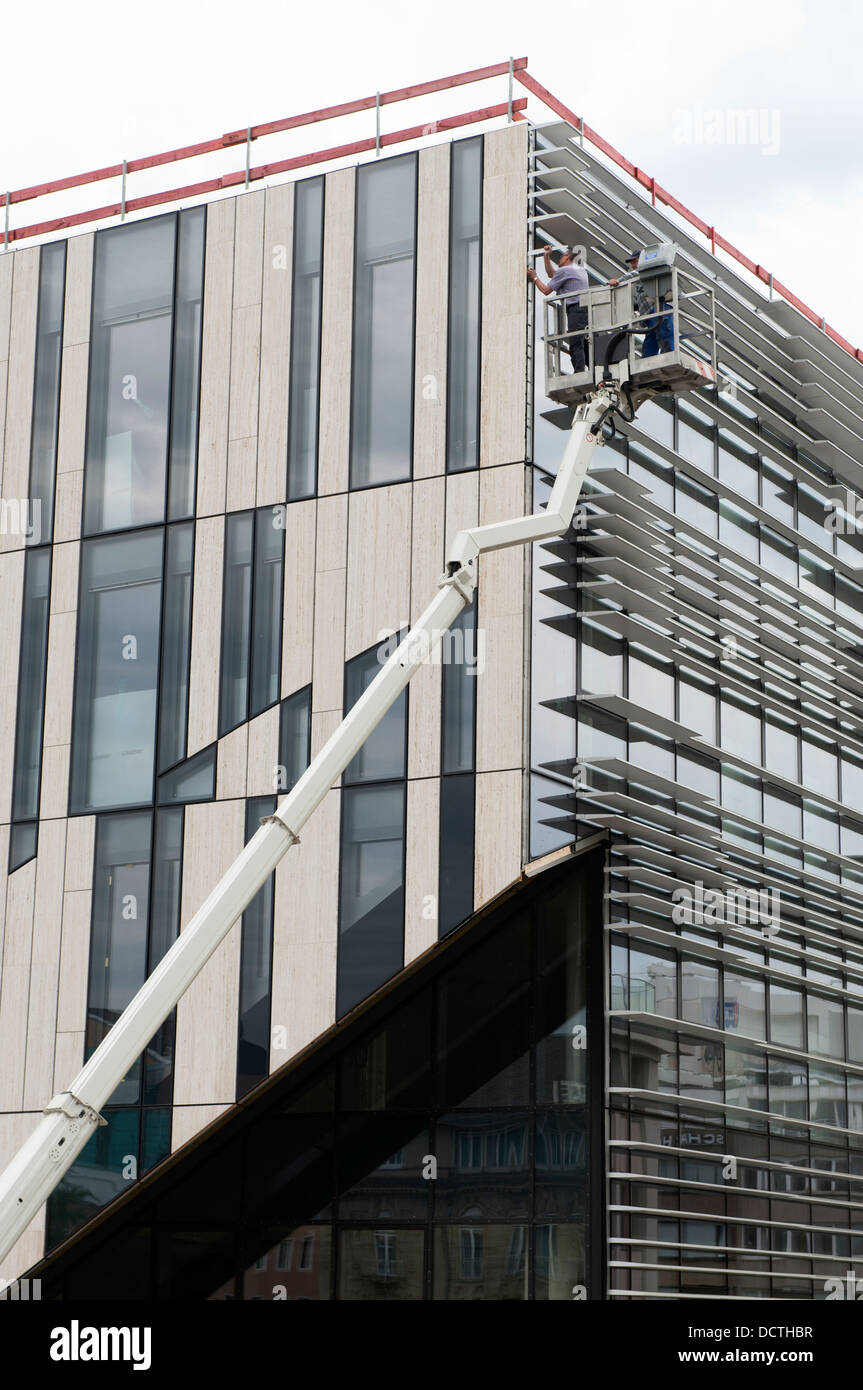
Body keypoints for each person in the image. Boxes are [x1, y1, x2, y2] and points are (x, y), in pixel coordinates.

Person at [527, 245, 590, 373]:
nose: (559, 259)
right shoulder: (578, 270)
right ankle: (594, 370)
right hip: (585, 310)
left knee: (576, 343)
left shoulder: (565, 271)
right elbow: (551, 274)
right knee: (586, 343)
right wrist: (546, 256)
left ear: (567, 257)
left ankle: (579, 372)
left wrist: (534, 277)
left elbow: (545, 290)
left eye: (562, 256)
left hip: (575, 310)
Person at [608, 249, 673, 357]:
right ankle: (649, 363)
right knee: (650, 344)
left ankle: (669, 358)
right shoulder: (642, 278)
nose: (633, 265)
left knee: (664, 338)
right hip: (651, 314)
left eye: (635, 262)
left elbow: (634, 274)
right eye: (632, 263)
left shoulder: (646, 269)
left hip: (658, 309)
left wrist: (618, 281)